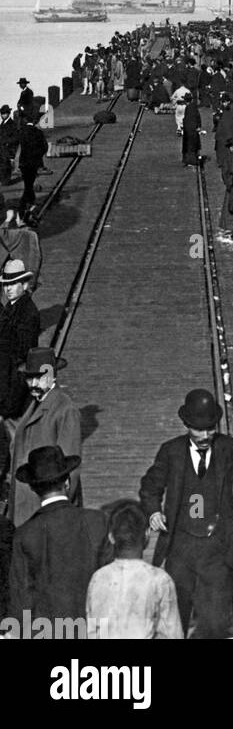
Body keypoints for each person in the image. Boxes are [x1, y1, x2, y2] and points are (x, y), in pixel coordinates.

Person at [139, 388, 233, 640]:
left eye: (211, 428)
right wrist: (153, 510)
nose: (206, 435)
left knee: (216, 623)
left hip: (217, 548)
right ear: (187, 425)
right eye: (199, 429)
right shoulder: (171, 451)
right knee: (175, 618)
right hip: (180, 547)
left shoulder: (231, 449)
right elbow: (149, 486)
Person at [7, 446, 109, 632]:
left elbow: (22, 599)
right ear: (67, 482)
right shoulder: (97, 521)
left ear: (32, 488)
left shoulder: (24, 534)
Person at [85, 500, 183, 639]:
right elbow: (171, 634)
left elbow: (92, 632)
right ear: (147, 535)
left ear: (111, 537)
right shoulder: (160, 580)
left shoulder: (98, 578)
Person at [8, 347, 82, 525]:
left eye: (39, 378)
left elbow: (69, 467)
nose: (33, 383)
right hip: (26, 508)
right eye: (29, 378)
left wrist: (60, 511)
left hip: (46, 511)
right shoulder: (33, 405)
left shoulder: (64, 409)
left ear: (53, 376)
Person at [0, 259, 40, 425]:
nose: (8, 289)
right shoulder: (10, 307)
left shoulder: (28, 313)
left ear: (24, 286)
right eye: (5, 284)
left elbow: (22, 352)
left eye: (13, 283)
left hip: (13, 382)